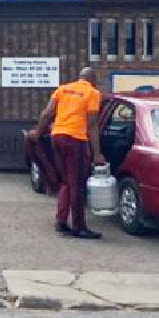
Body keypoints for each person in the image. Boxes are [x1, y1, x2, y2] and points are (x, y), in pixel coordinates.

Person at [46, 64, 106, 239]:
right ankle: (79, 227)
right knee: (77, 183)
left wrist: (37, 132)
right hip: (76, 140)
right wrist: (97, 153)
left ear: (80, 77)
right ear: (93, 80)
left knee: (66, 181)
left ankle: (61, 221)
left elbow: (48, 113)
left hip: (57, 136)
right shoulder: (93, 93)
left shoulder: (63, 89)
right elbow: (93, 124)